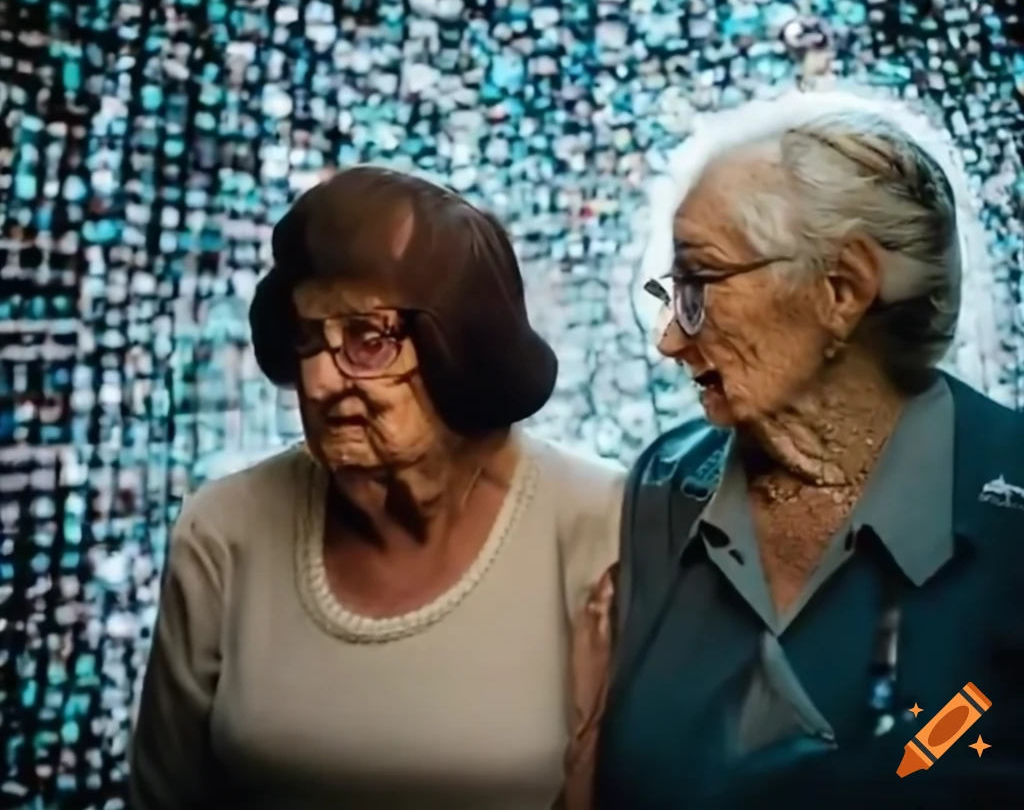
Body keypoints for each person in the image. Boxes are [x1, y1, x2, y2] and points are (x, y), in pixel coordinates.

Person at [563, 90, 1024, 809]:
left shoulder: (1010, 507)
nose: (669, 340)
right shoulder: (668, 486)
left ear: (841, 289)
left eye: (700, 284)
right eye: (671, 289)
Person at [130, 166, 625, 810]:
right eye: (308, 339)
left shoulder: (601, 524)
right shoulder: (224, 530)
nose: (319, 384)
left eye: (367, 339)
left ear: (463, 345)